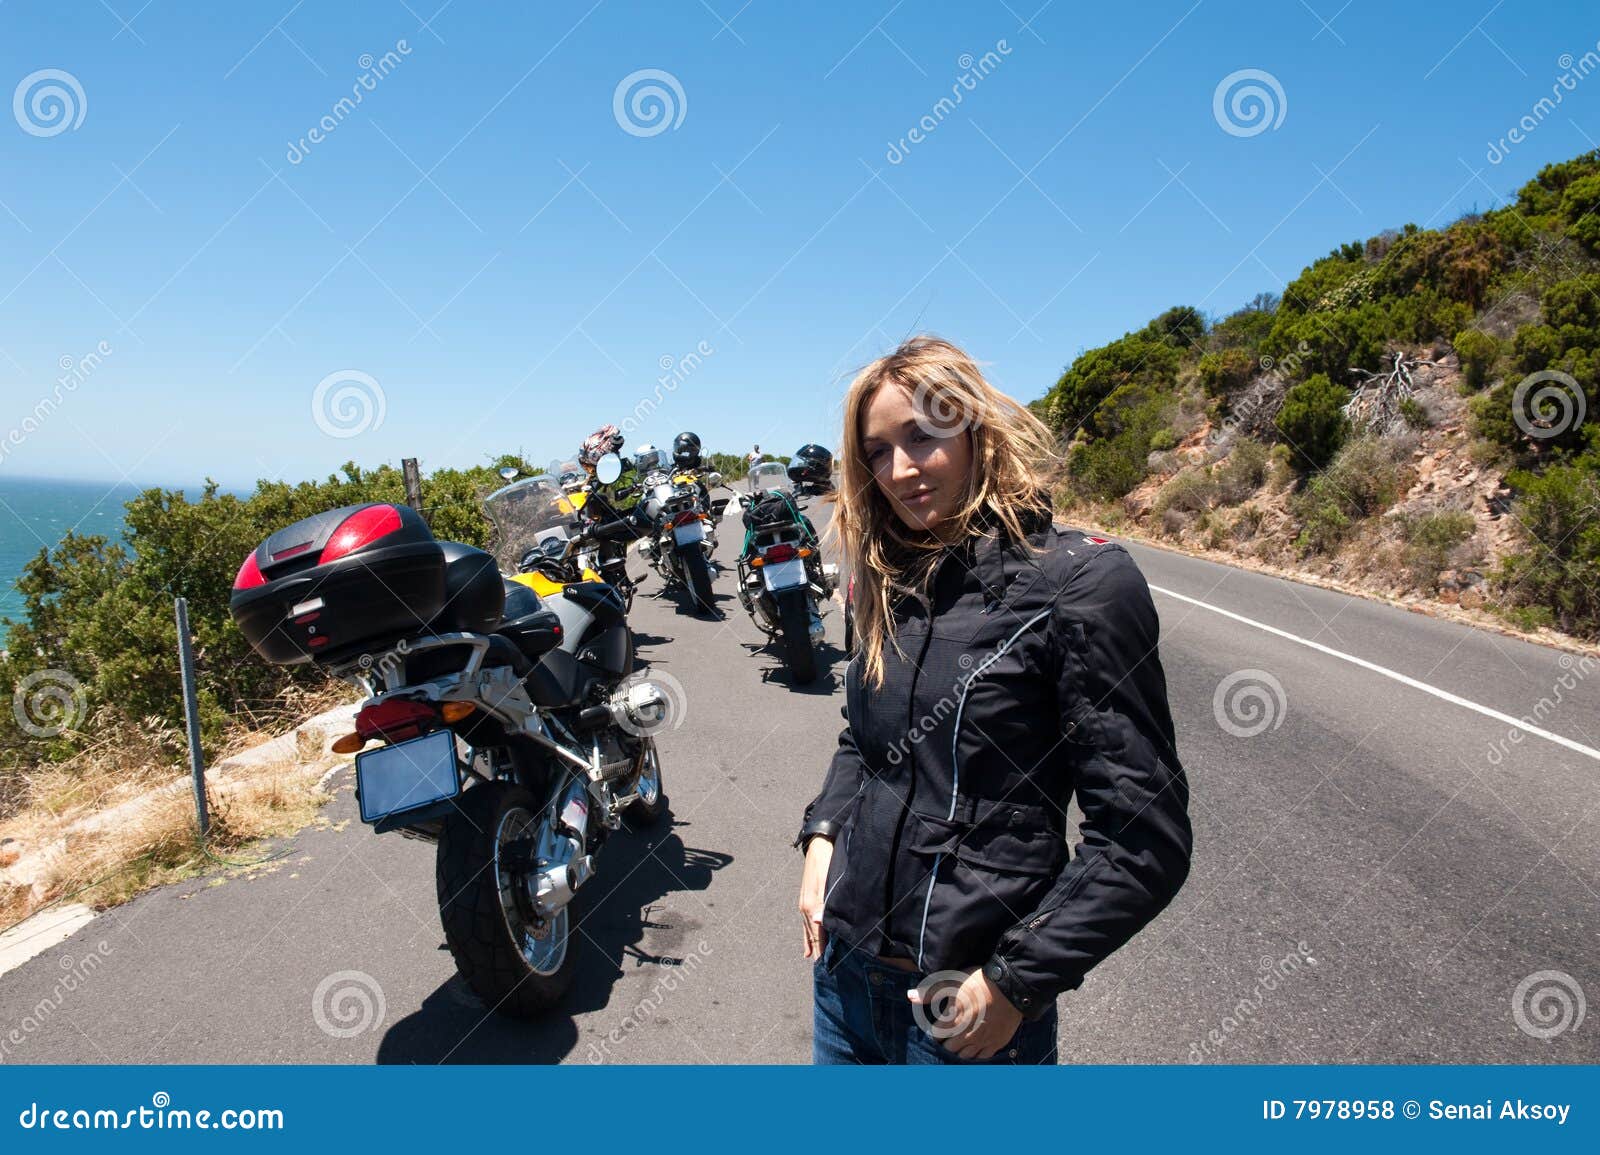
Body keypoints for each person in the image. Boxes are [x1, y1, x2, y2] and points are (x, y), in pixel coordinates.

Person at [795, 335, 1192, 1065]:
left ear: (976, 429)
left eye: (922, 436)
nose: (898, 469)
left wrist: (1015, 982)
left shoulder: (1080, 583)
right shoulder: (888, 577)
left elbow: (1143, 837)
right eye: (877, 451)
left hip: (963, 1013)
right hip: (843, 987)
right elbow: (864, 737)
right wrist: (824, 833)